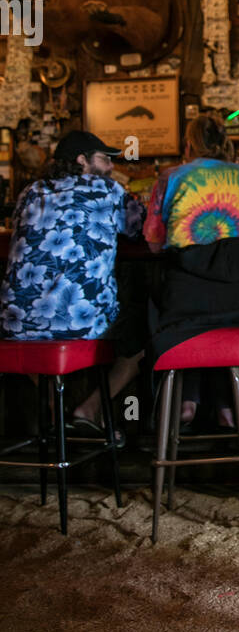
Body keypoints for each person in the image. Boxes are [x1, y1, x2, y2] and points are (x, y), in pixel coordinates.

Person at [0, 130, 146, 444]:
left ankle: (57, 407)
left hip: (14, 325)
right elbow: (139, 229)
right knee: (143, 332)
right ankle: (89, 410)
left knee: (31, 335)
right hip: (80, 324)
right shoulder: (108, 190)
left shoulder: (30, 191)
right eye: (105, 159)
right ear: (82, 160)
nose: (109, 166)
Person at [144, 115, 239, 426]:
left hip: (182, 300)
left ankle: (186, 402)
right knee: (228, 326)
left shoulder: (170, 178)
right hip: (238, 296)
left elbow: (153, 243)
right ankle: (227, 407)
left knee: (184, 326)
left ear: (189, 143)